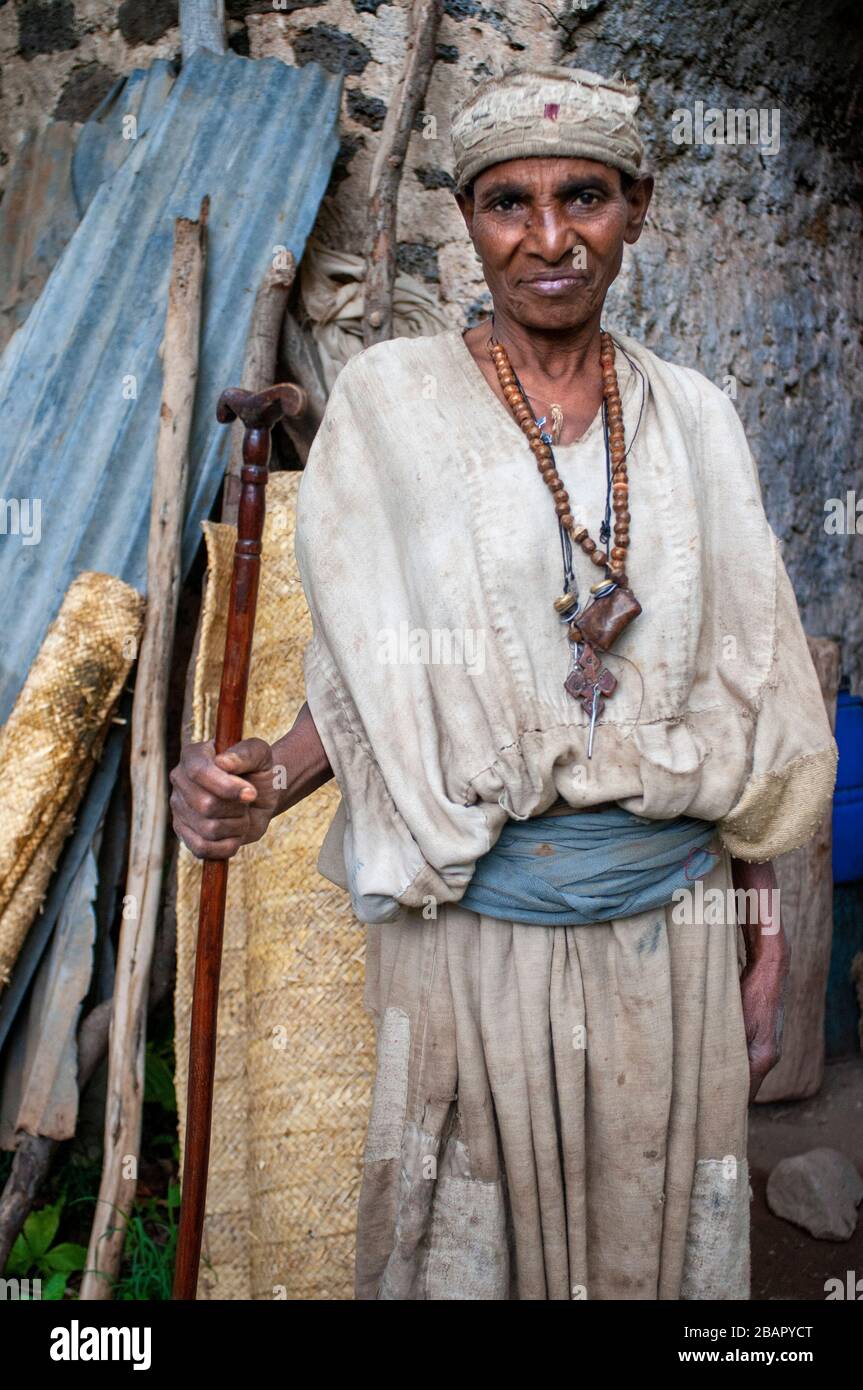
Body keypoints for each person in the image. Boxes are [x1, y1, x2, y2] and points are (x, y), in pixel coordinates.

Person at [170, 65, 837, 1300]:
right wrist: (264, 781)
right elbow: (379, 674)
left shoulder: (693, 418)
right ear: (467, 219)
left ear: (635, 207)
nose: (546, 239)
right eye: (504, 203)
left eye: (582, 196)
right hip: (472, 934)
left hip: (669, 942)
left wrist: (761, 944)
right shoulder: (391, 406)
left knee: (658, 1255)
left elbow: (745, 691)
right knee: (470, 1254)